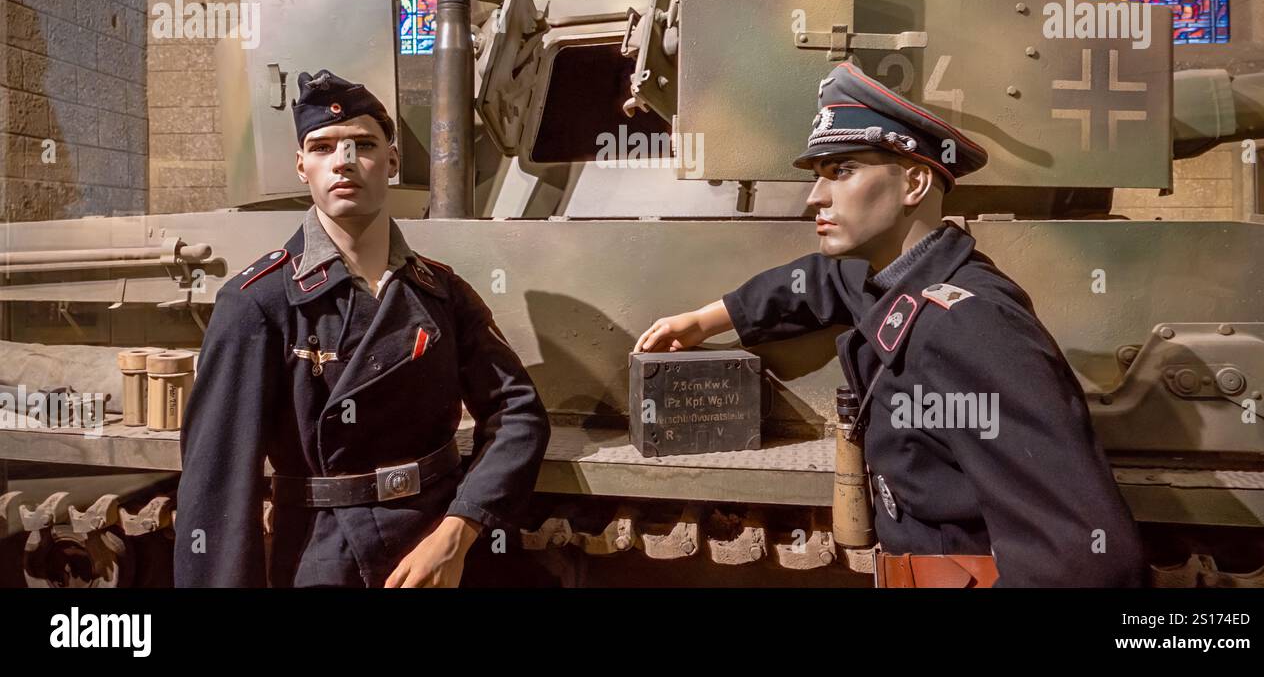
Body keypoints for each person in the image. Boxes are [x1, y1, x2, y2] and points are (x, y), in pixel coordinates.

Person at [635, 62, 1145, 588]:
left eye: (842, 171)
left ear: (915, 183)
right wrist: (705, 319)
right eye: (818, 176)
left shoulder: (973, 324)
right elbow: (820, 280)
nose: (815, 196)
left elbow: (1081, 558)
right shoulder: (895, 278)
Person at [174, 69, 550, 587]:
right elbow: (216, 485)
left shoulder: (441, 292)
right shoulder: (256, 302)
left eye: (363, 144)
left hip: (440, 544)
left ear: (391, 162)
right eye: (323, 147)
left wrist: (457, 533)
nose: (344, 162)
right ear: (301, 166)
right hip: (324, 551)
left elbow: (518, 413)